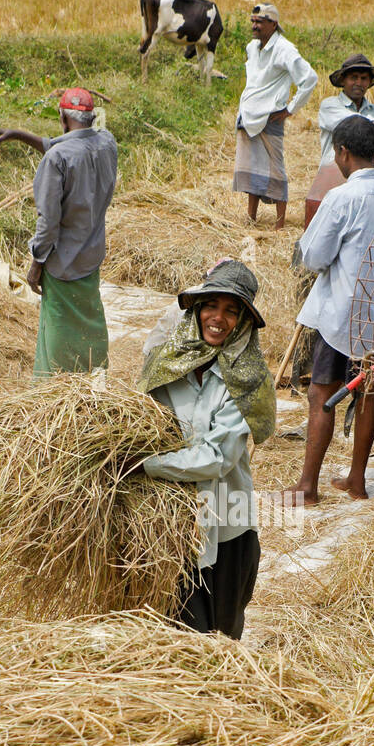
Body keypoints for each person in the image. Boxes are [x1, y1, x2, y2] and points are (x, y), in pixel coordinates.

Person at [138, 259, 276, 639]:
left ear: (244, 321)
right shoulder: (167, 366)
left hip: (227, 528)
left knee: (222, 640)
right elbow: (142, 424)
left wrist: (145, 465)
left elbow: (217, 459)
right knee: (176, 638)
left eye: (232, 311)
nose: (218, 318)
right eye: (211, 306)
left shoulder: (247, 378)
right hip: (172, 530)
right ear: (197, 310)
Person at [286, 116, 374, 505]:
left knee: (322, 393)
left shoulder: (341, 197)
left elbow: (316, 256)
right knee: (368, 395)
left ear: (343, 152)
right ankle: (356, 481)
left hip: (341, 314)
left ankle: (308, 487)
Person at [0, 88, 117, 376]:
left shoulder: (56, 161)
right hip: (91, 256)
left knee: (57, 329)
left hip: (62, 262)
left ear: (62, 118)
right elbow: (64, 146)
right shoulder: (107, 143)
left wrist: (36, 263)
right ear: (91, 117)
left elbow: (48, 222)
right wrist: (17, 134)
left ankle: (55, 389)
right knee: (88, 322)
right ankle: (93, 378)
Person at [232, 3, 318, 230]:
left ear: (274, 24)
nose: (254, 26)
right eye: (253, 21)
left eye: (260, 22)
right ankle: (251, 217)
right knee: (251, 166)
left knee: (275, 168)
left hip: (270, 116)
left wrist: (290, 109)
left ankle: (280, 226)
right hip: (248, 113)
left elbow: (309, 79)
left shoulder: (284, 49)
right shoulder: (252, 47)